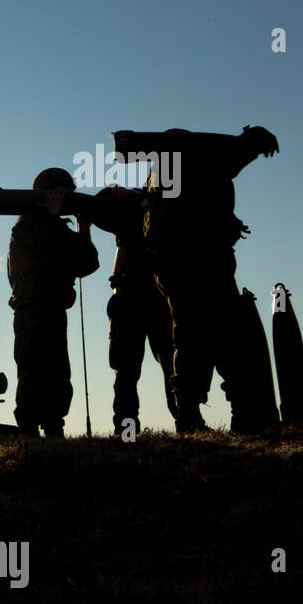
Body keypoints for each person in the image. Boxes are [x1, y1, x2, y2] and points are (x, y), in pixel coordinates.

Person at [111, 126, 279, 432]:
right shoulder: (204, 160)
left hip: (178, 266)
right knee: (213, 339)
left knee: (197, 338)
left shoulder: (165, 176)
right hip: (199, 266)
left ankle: (194, 415)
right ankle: (206, 416)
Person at [7, 168, 100, 437]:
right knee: (32, 368)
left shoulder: (57, 227)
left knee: (58, 372)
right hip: (31, 311)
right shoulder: (26, 227)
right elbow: (47, 246)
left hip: (54, 308)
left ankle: (54, 425)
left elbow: (87, 264)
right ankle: (28, 430)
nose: (66, 199)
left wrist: (84, 229)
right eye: (61, 193)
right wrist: (52, 213)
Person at [90, 183, 178, 436]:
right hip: (128, 293)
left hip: (157, 293)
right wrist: (116, 196)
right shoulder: (129, 208)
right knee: (126, 369)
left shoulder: (160, 205)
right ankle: (127, 431)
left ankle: (185, 420)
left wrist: (137, 198)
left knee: (172, 362)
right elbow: (99, 211)